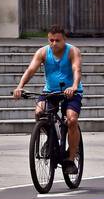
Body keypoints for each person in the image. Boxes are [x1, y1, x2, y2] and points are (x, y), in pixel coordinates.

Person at [12, 25, 83, 176]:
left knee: (71, 120)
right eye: (51, 40)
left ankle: (70, 159)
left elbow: (77, 69)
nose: (54, 43)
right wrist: (20, 86)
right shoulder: (43, 52)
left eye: (57, 40)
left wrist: (74, 86)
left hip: (71, 92)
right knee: (39, 113)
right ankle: (51, 139)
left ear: (64, 39)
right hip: (50, 91)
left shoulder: (72, 51)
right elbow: (31, 70)